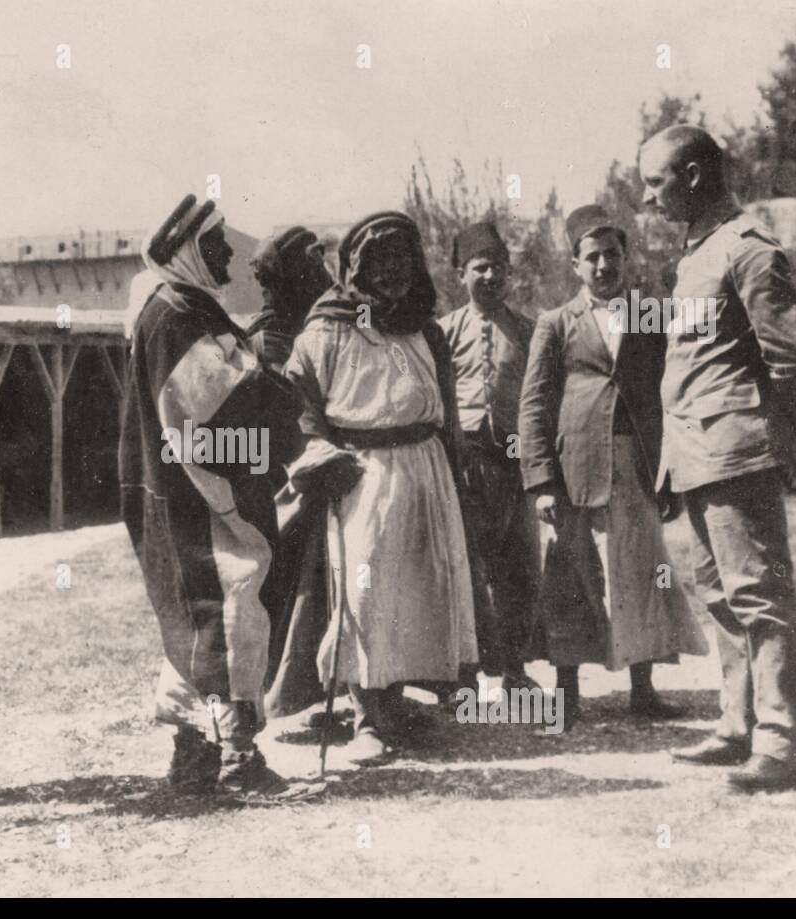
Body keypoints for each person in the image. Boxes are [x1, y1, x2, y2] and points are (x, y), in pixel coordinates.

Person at [639, 125, 796, 792]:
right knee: (718, 597)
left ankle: (781, 743)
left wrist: (770, 445)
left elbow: (792, 363)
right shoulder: (696, 256)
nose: (647, 197)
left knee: (761, 596)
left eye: (655, 182)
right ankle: (738, 723)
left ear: (691, 176)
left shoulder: (748, 252)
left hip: (736, 455)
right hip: (691, 457)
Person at [119, 194, 307, 801]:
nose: (229, 251)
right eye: (217, 242)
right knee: (227, 613)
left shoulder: (179, 307)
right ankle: (237, 761)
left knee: (193, 620)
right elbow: (221, 404)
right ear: (188, 252)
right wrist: (285, 396)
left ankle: (193, 758)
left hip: (182, 489)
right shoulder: (175, 313)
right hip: (200, 494)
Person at [284, 211, 477, 764]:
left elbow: (450, 412)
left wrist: (457, 467)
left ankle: (399, 705)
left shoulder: (425, 328)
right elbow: (301, 408)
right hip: (361, 475)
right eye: (380, 261)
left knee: (422, 590)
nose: (393, 272)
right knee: (364, 595)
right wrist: (320, 457)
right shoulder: (327, 329)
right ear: (356, 267)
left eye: (403, 260)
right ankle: (366, 717)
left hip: (426, 467)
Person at [519, 205, 706, 725]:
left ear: (626, 258)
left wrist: (673, 466)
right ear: (575, 264)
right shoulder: (555, 323)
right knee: (574, 576)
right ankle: (568, 694)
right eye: (593, 257)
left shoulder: (650, 315)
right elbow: (534, 405)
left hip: (638, 465)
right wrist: (541, 482)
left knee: (643, 573)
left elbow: (672, 389)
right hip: (575, 469)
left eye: (613, 255)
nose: (604, 266)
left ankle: (643, 691)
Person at [442, 222, 541, 691]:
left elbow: (541, 399)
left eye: (498, 268)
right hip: (463, 467)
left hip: (513, 464)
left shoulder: (528, 330)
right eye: (480, 268)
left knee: (516, 569)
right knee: (465, 566)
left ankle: (515, 669)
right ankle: (462, 671)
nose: (490, 276)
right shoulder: (442, 334)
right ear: (462, 274)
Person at [247, 227, 333, 372]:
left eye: (320, 266)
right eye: (311, 270)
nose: (323, 277)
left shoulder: (325, 317)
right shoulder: (269, 335)